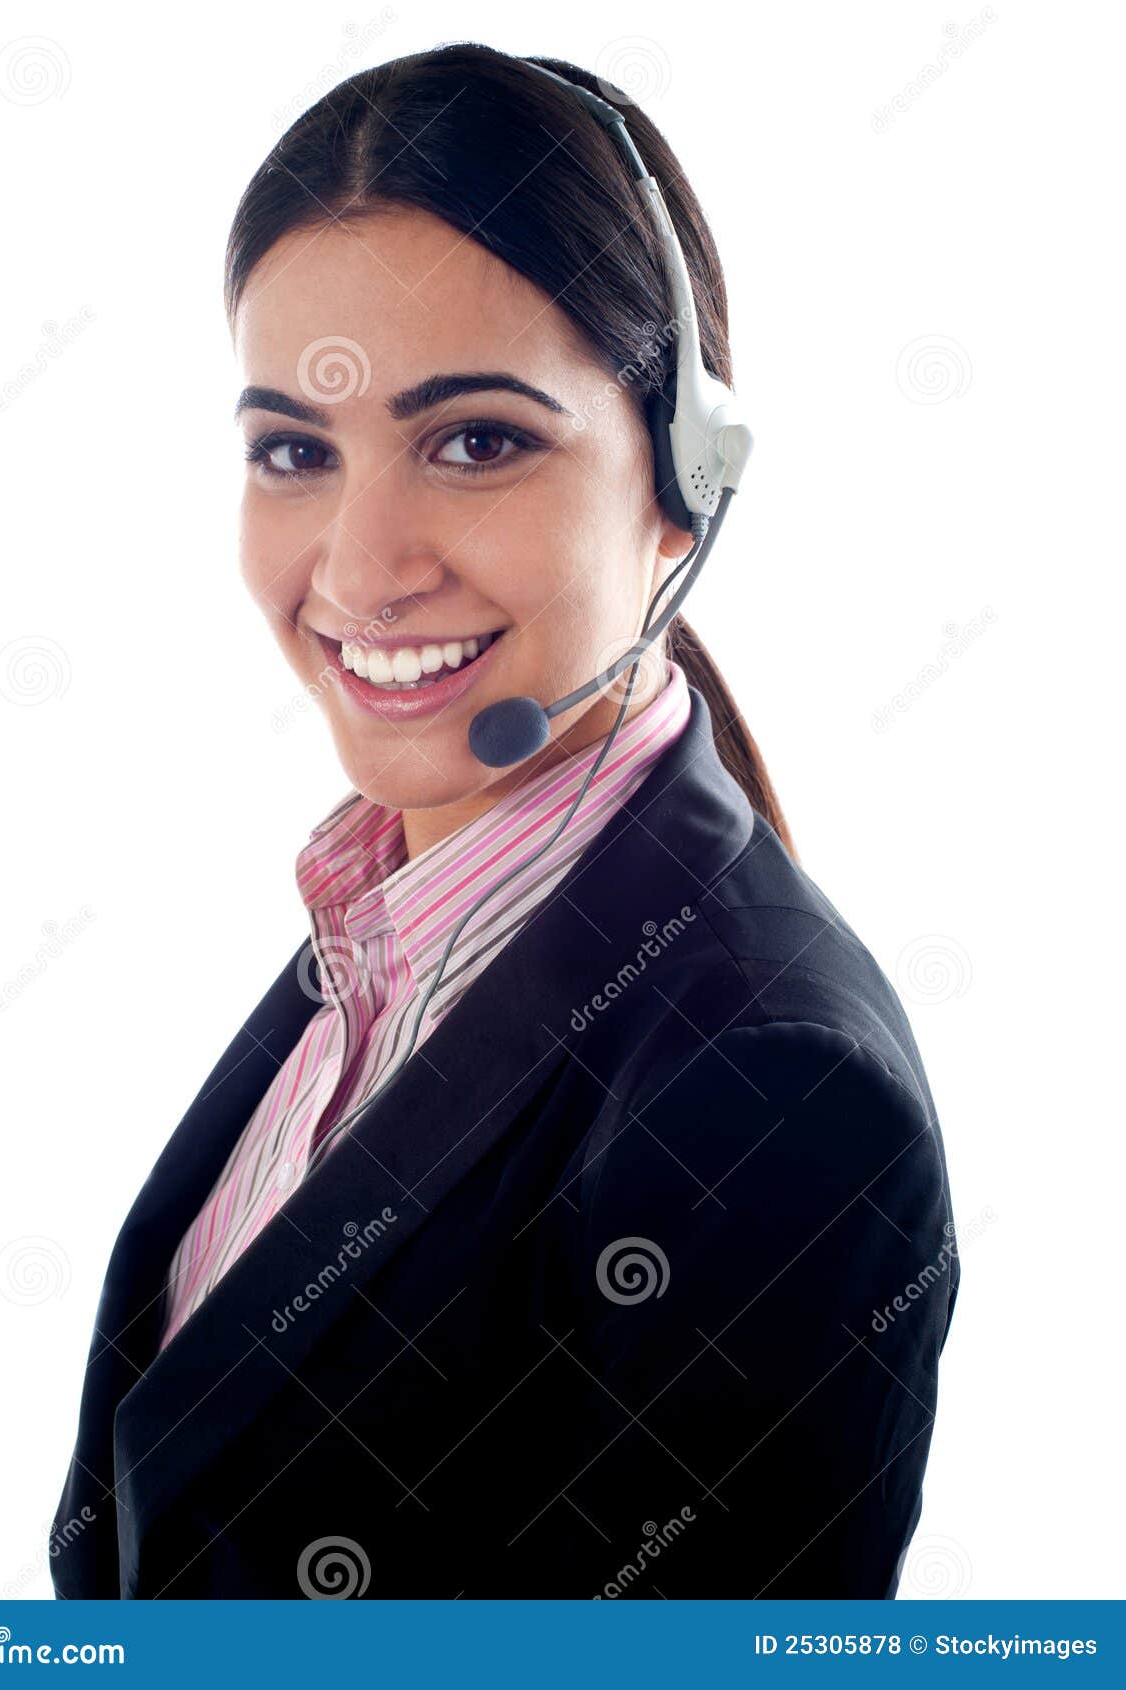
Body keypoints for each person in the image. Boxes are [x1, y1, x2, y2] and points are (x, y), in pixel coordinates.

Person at [50, 41, 958, 1600]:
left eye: (475, 440)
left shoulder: (768, 1084)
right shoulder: (385, 931)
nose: (357, 565)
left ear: (686, 477)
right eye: (295, 452)